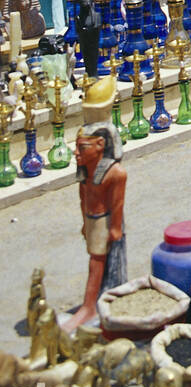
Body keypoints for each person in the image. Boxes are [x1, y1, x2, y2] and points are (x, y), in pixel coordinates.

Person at [64, 123, 126, 331]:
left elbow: (117, 203)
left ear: (100, 145)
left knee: (96, 262)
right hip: (91, 221)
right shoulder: (86, 173)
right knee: (97, 261)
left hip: (102, 221)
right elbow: (83, 197)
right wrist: (84, 222)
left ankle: (89, 306)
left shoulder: (114, 173)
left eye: (82, 147)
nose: (76, 152)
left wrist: (115, 227)